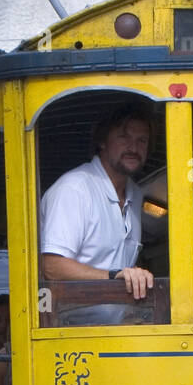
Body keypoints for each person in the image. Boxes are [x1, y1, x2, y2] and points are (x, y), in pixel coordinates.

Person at [39, 101, 155, 314]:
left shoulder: (136, 194)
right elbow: (52, 266)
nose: (133, 148)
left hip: (114, 335)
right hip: (68, 336)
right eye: (124, 137)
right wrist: (113, 276)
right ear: (102, 141)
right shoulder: (74, 189)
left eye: (142, 141)